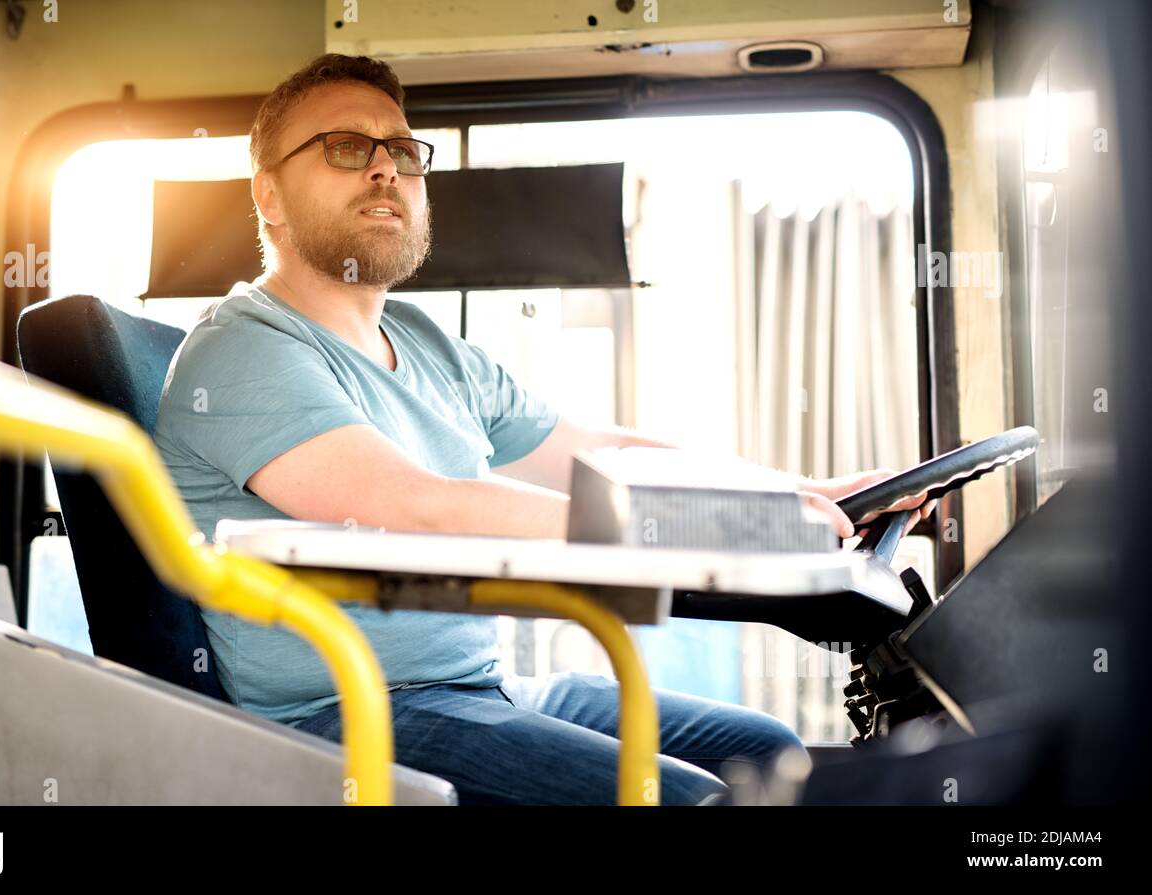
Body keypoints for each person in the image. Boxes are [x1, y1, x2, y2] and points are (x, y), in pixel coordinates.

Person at [153, 53, 930, 805]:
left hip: (481, 686)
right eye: (347, 149)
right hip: (341, 713)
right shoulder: (243, 347)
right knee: (686, 798)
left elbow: (601, 453)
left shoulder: (426, 342)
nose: (385, 168)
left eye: (401, 151)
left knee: (770, 750)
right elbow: (418, 504)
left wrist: (796, 493)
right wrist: (721, 528)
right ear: (269, 195)